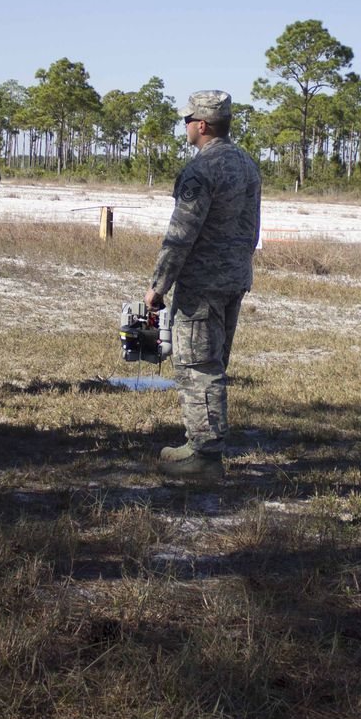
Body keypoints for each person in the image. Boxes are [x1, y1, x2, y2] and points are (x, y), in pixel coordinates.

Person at [143, 90, 262, 481]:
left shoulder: (201, 170)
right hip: (234, 280)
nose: (185, 126)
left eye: (187, 120)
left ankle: (205, 457)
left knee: (197, 366)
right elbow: (251, 230)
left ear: (202, 125)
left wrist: (158, 286)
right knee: (214, 363)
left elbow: (181, 234)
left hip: (202, 285)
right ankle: (199, 443)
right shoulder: (247, 165)